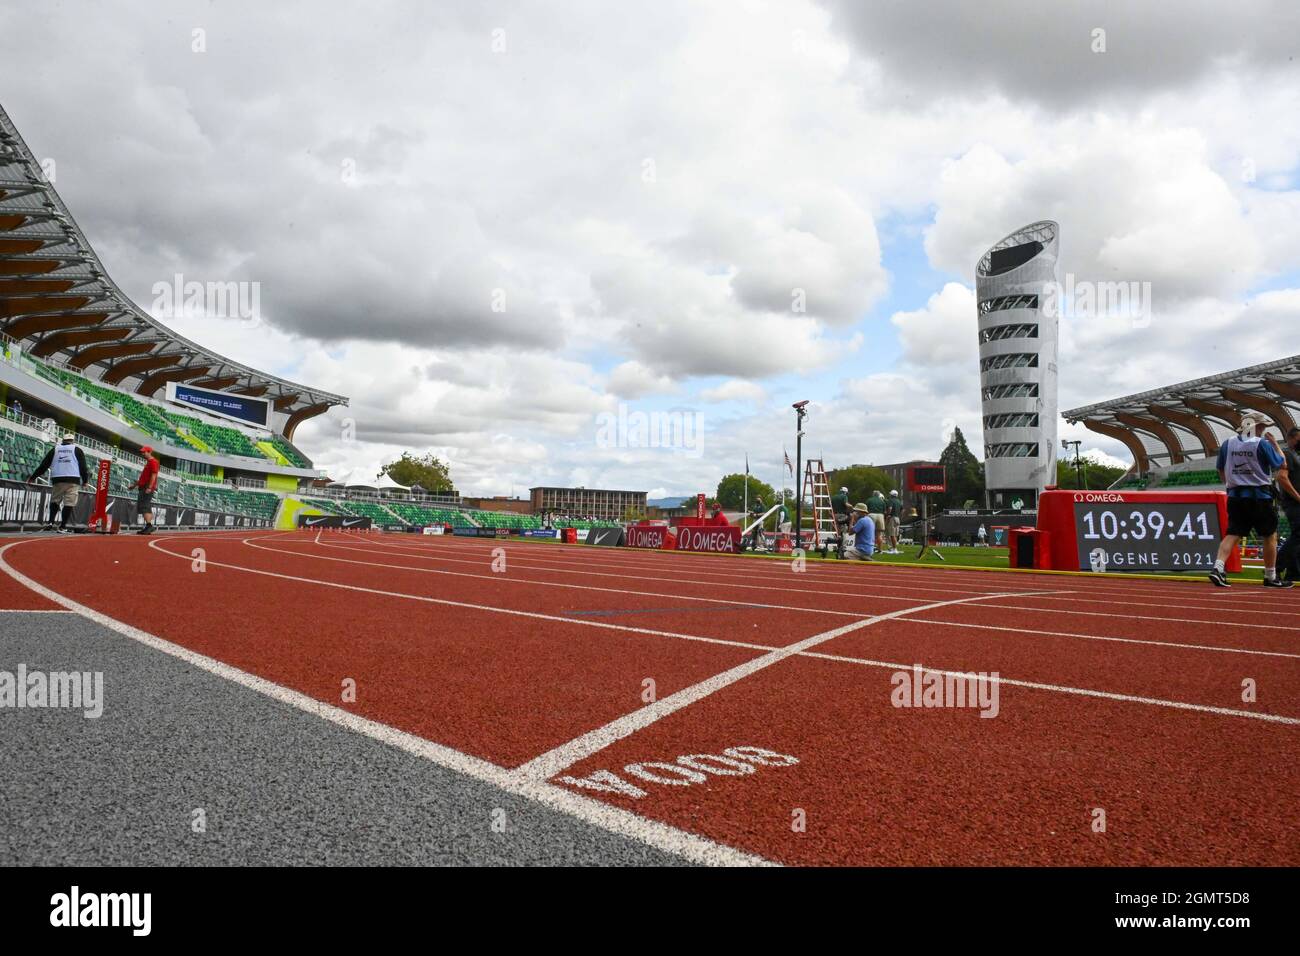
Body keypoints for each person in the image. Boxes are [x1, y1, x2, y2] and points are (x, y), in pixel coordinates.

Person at [1209, 411, 1292, 588]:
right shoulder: (1262, 444)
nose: (1263, 430)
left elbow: (1221, 470)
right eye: (1261, 426)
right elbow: (1282, 464)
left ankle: (1218, 568)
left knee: (1232, 534)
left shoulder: (1227, 444)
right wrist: (1275, 444)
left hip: (1235, 497)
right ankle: (1270, 576)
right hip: (1260, 498)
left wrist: (1230, 485)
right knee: (1269, 536)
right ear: (1255, 427)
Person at [27, 432, 89, 533]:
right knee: (69, 502)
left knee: (55, 500)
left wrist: (33, 477)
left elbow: (44, 465)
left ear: (63, 440)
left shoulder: (55, 449)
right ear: (72, 441)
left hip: (58, 478)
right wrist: (85, 480)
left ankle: (50, 523)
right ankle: (62, 526)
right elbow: (83, 467)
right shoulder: (77, 450)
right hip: (73, 479)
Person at [1276, 427, 1300, 583]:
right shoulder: (1287, 455)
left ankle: (1293, 572)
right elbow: (1282, 478)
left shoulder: (1295, 456)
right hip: (1293, 503)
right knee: (1299, 535)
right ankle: (1277, 566)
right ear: (1291, 438)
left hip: (1295, 502)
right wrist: (1298, 497)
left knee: (1298, 537)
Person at [134, 445, 161, 535]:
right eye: (142, 452)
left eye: (144, 452)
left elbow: (153, 475)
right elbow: (143, 478)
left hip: (146, 487)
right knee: (144, 507)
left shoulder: (153, 462)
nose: (142, 454)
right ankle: (148, 526)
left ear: (149, 452)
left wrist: (149, 487)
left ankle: (149, 526)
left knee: (145, 506)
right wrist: (134, 485)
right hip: (143, 487)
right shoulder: (149, 462)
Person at [884, 489, 903, 554]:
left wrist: (888, 514)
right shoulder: (899, 501)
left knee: (892, 534)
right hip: (897, 518)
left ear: (891, 495)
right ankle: (893, 548)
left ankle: (894, 549)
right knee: (895, 534)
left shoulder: (891, 500)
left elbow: (890, 508)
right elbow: (902, 510)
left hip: (892, 518)